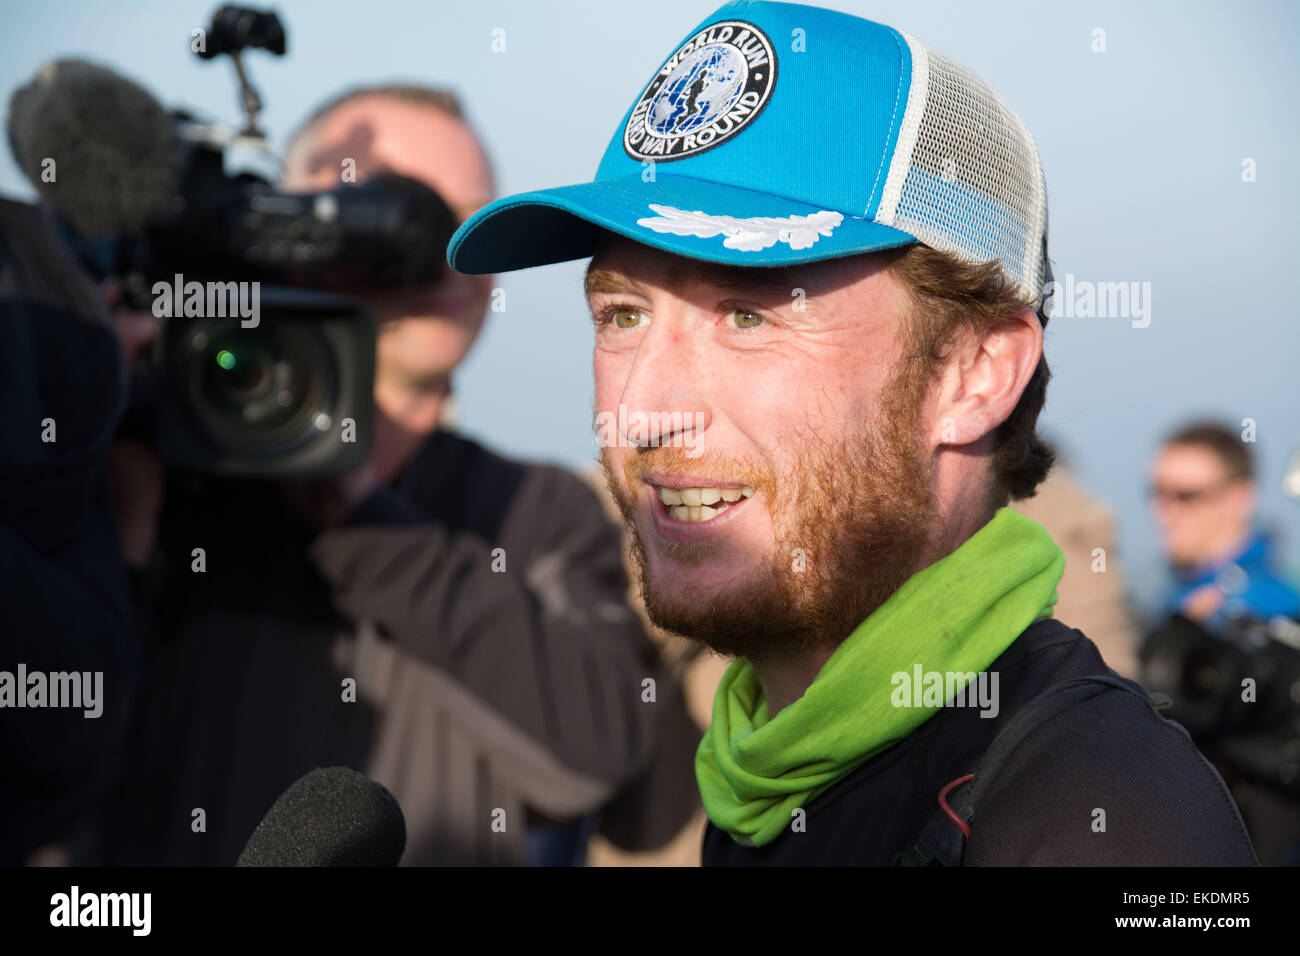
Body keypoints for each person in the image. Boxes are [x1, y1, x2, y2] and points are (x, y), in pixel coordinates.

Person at [446, 0, 1258, 864]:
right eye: (621, 314)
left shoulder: (1099, 816)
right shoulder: (761, 770)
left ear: (974, 375)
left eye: (749, 316)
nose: (643, 410)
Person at [83, 83, 699, 866]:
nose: (439, 251)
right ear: (282, 229)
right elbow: (52, 745)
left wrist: (367, 525)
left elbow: (594, 754)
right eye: (394, 210)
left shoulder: (537, 510)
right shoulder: (171, 473)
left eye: (469, 221)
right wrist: (91, 437)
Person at [1149, 420, 1300, 635]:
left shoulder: (1273, 607)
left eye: (1186, 496)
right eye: (1157, 494)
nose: (1163, 512)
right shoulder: (1176, 593)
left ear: (1240, 497)